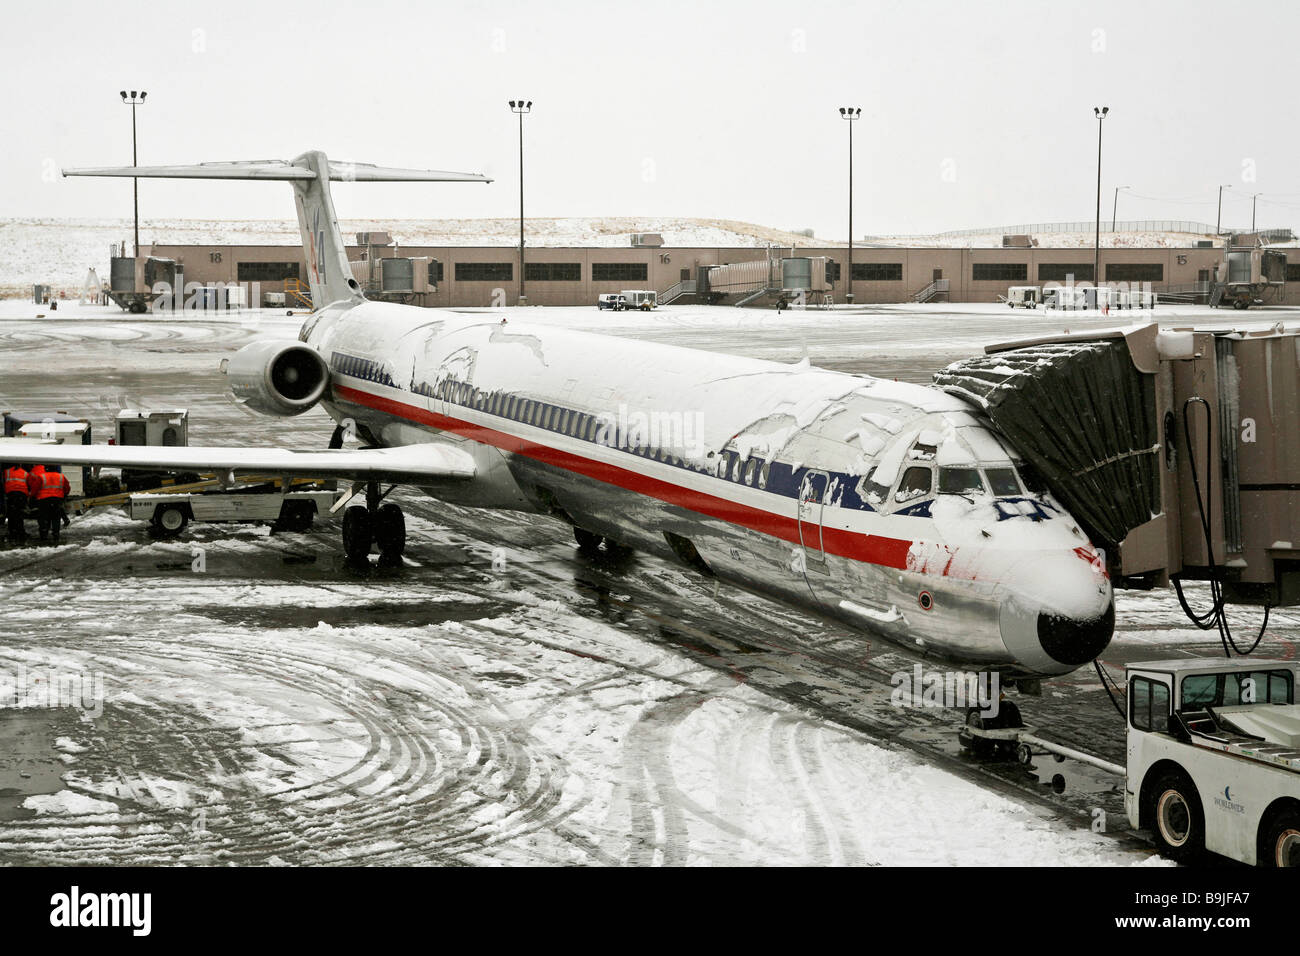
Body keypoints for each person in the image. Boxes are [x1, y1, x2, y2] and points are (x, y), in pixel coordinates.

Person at [27, 464, 70, 544]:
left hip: (43, 500)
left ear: (46, 469)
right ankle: (56, 535)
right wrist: (64, 495)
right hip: (57, 500)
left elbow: (35, 489)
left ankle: (44, 535)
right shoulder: (61, 476)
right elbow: (67, 488)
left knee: (43, 518)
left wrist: (32, 497)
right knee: (55, 518)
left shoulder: (41, 476)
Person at [4, 463, 30, 543]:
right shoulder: (25, 473)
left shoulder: (6, 472)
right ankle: (20, 532)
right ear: (20, 464)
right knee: (19, 514)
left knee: (11, 513)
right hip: (21, 494)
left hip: (11, 494)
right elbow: (28, 484)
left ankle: (12, 532)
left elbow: (4, 481)